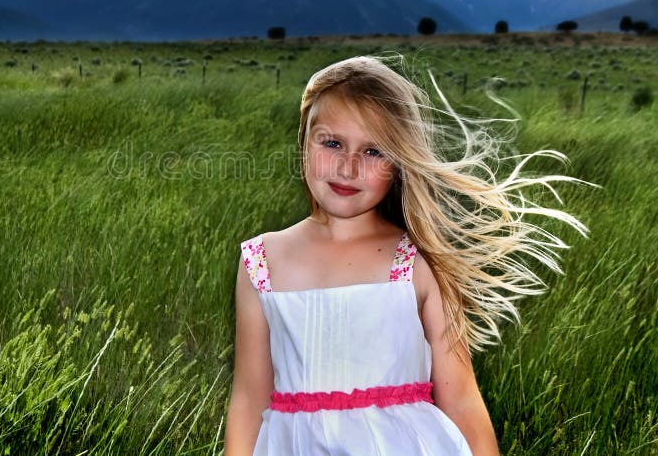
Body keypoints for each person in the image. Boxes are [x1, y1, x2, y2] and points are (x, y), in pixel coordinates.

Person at [223, 54, 590, 456]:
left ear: (399, 164)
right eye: (332, 143)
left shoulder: (416, 260)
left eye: (373, 151)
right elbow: (249, 400)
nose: (348, 167)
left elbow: (461, 398)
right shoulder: (262, 261)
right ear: (303, 141)